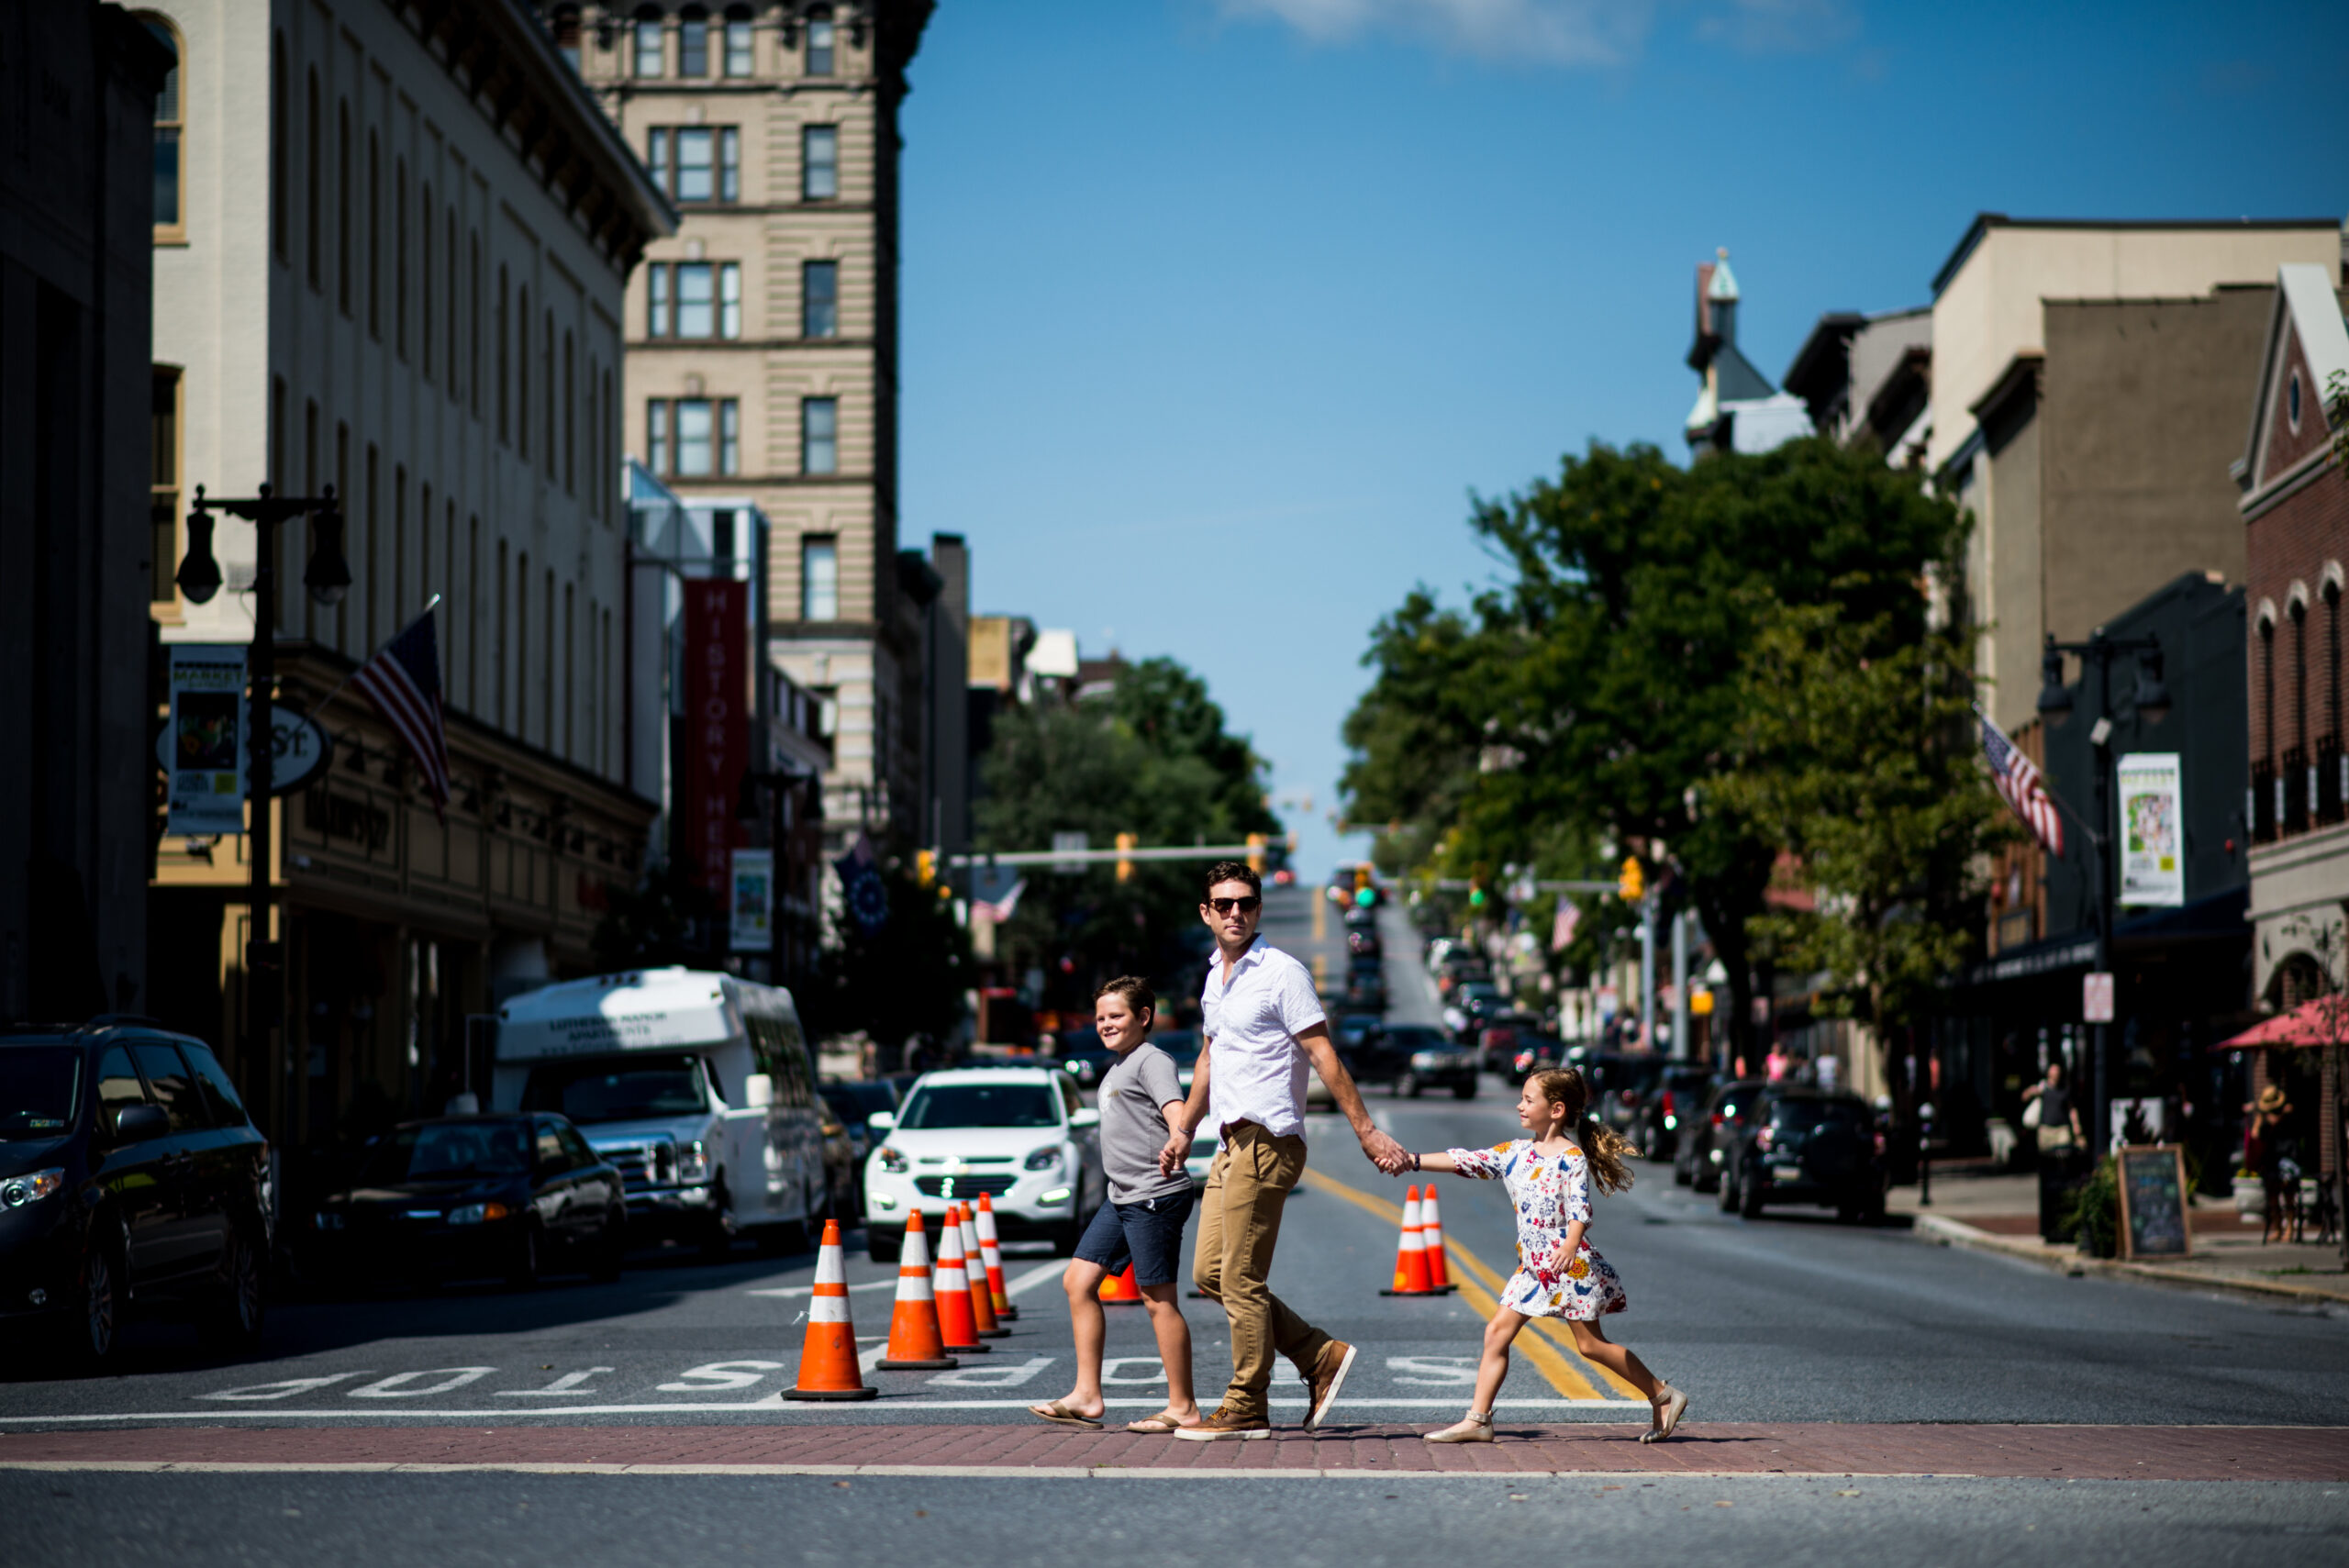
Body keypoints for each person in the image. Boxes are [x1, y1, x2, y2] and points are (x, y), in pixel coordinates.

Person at [1156, 861, 1409, 1440]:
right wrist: (1185, 1128)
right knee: (1210, 1274)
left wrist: (1366, 1130)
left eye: (1245, 902)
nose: (1235, 913)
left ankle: (1247, 1402)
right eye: (1223, 904)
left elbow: (1323, 1055)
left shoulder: (1283, 974)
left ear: (1259, 908)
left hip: (1269, 1139)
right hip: (1227, 1141)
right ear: (1207, 913)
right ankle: (1316, 1354)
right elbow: (1208, 1059)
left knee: (1240, 1276)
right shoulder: (1214, 978)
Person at [1398, 1068, 1687, 1444]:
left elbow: (1580, 1211)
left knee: (1591, 1346)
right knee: (1496, 1333)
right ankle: (1478, 1420)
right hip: (1533, 1269)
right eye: (1521, 1098)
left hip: (1568, 1268)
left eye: (1528, 1100)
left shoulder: (1571, 1158)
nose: (1520, 1105)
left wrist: (1570, 1245)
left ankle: (1663, 1395)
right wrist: (1412, 1160)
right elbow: (1465, 1160)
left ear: (1556, 1110)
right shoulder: (1516, 1153)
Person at [1030, 978, 1204, 1433]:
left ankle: (1182, 1405)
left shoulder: (1151, 1060)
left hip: (1154, 1194)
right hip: (1122, 1195)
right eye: (1101, 1017)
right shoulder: (1121, 1065)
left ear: (1143, 1018)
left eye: (1117, 1016)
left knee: (1157, 1299)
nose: (1105, 1024)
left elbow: (1175, 1109)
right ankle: (1087, 1396)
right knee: (1078, 1281)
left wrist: (1176, 1140)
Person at [2243, 1084, 2295, 1244]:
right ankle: (2278, 1227)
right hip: (2272, 1161)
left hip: (2287, 1158)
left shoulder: (2286, 1114)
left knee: (2288, 1192)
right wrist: (2259, 1118)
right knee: (2272, 1195)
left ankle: (2290, 1228)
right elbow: (2255, 1136)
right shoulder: (2264, 1120)